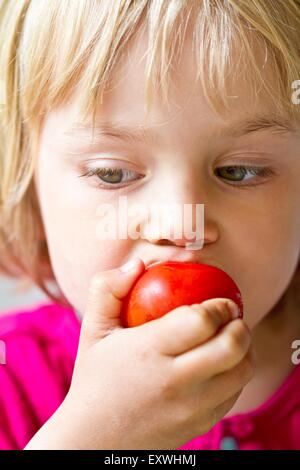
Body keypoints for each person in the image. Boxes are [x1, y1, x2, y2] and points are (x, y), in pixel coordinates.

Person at [0, 0, 299, 450]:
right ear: (28, 192)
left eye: (238, 170)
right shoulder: (12, 381)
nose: (183, 223)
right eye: (112, 173)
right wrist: (93, 436)